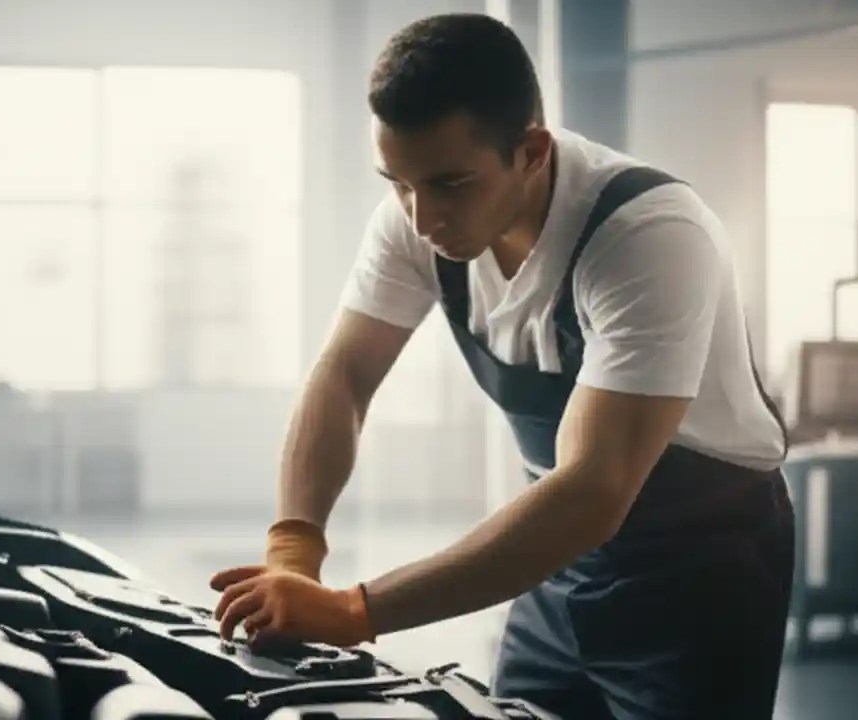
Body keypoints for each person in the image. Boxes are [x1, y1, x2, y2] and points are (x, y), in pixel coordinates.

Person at [208, 13, 794, 719]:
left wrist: (353, 612)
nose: (421, 218)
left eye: (451, 183)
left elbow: (593, 490)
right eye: (398, 182)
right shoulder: (419, 215)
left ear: (533, 151)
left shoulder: (649, 235)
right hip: (557, 560)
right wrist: (293, 553)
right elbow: (344, 375)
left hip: (699, 572)